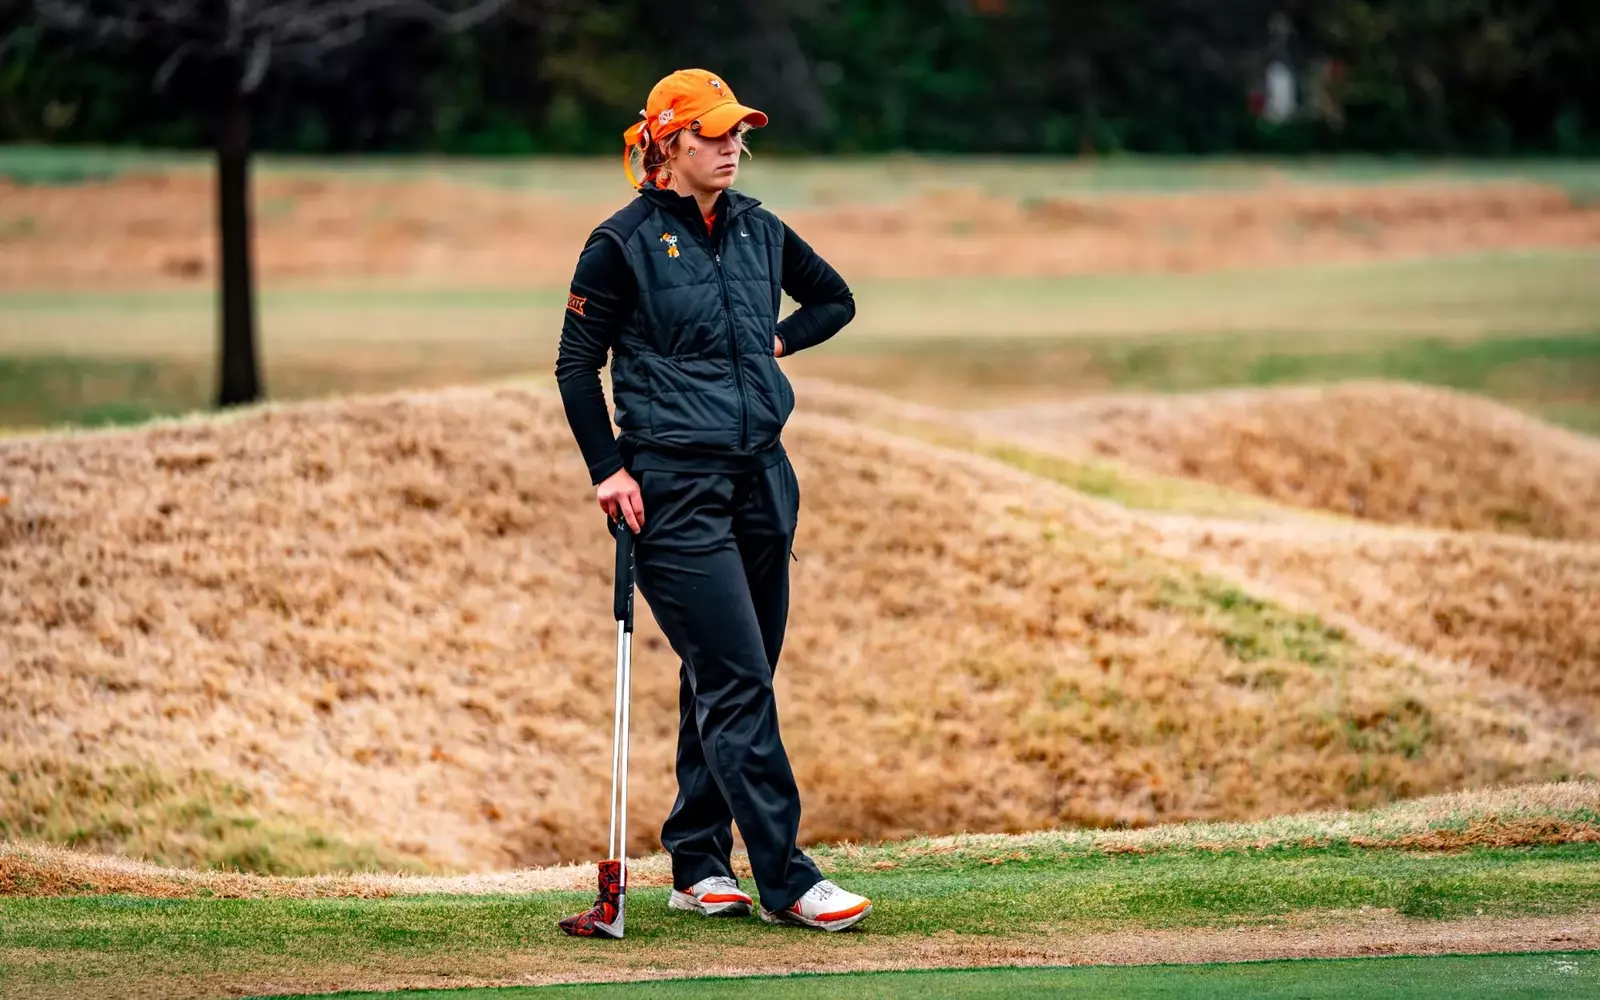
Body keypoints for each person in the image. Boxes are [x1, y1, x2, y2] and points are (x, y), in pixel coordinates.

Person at [553, 68, 867, 931]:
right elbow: (576, 366)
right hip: (672, 486)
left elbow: (835, 299)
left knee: (732, 676)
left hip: (764, 477)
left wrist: (777, 337)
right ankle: (788, 880)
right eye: (714, 134)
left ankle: (696, 859)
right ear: (667, 144)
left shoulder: (759, 228)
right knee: (737, 682)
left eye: (738, 134)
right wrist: (606, 469)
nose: (732, 146)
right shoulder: (619, 243)